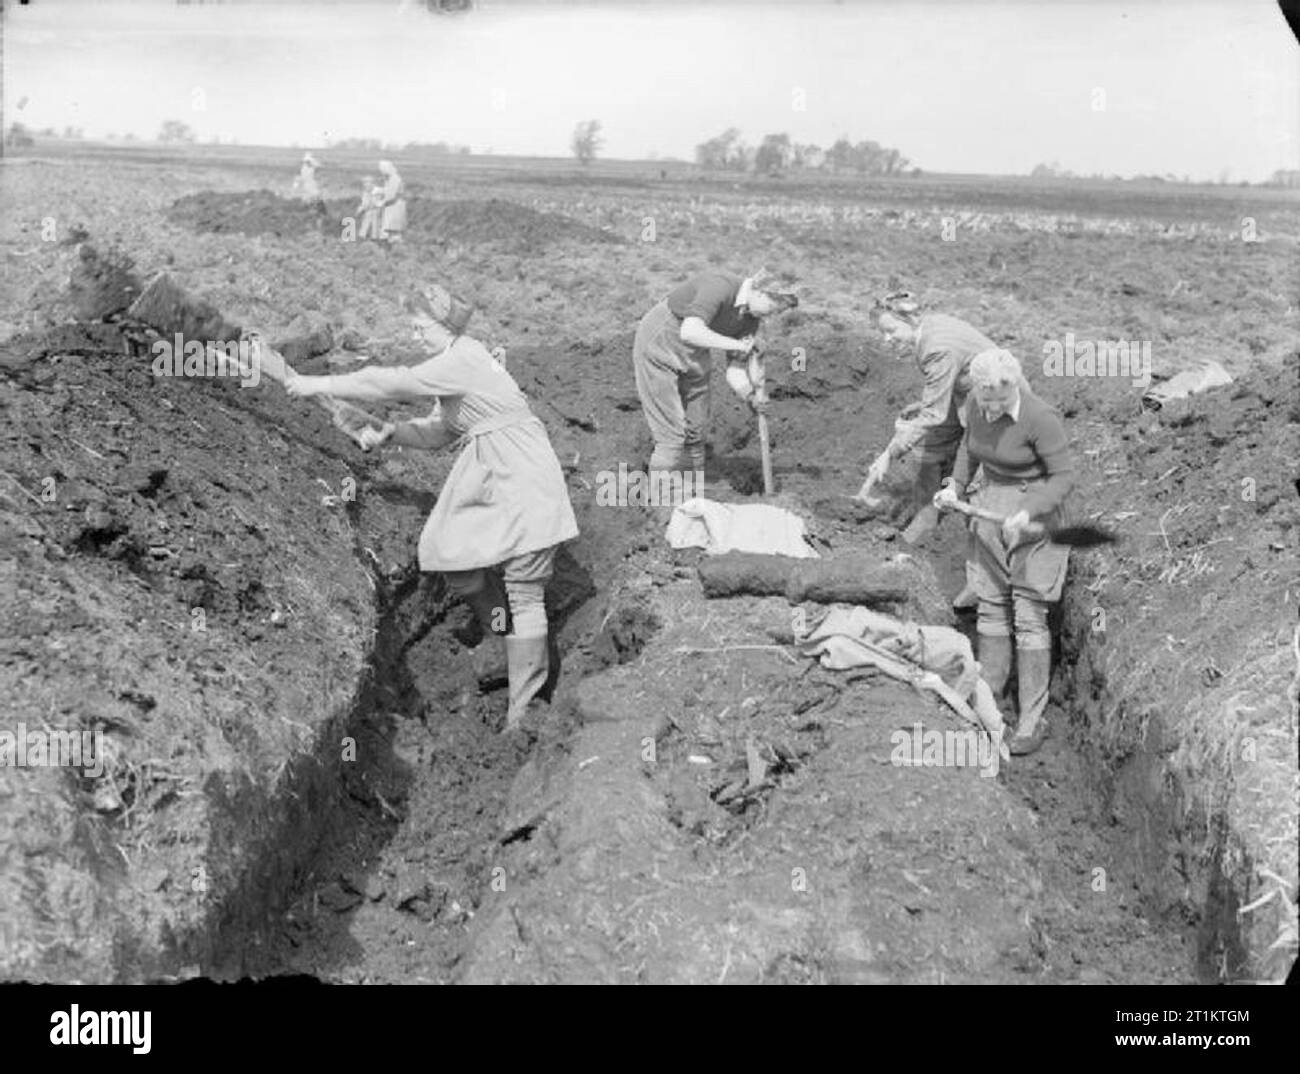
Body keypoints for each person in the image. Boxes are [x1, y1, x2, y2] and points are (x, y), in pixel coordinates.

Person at [285, 290, 579, 732]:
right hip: (494, 472)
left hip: (521, 472)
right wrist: (391, 432)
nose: (415, 334)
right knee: (450, 552)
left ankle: (525, 713)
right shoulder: (461, 362)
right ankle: (499, 633)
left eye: (421, 327)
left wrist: (318, 383)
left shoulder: (463, 357)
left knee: (524, 585)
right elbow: (443, 431)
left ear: (446, 327)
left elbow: (390, 382)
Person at [933, 348, 1075, 755]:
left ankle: (1032, 719)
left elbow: (1063, 477)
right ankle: (989, 697)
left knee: (1030, 615)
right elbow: (968, 449)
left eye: (998, 401)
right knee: (992, 604)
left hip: (1035, 516)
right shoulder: (978, 406)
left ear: (1014, 388)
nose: (990, 409)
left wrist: (1028, 510)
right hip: (989, 504)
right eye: (984, 399)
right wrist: (954, 487)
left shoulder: (1040, 418)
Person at [860, 291, 1025, 549]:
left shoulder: (936, 348)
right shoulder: (929, 328)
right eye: (883, 332)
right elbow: (944, 389)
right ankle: (927, 518)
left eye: (891, 330)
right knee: (930, 447)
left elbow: (933, 415)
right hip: (967, 393)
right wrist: (923, 406)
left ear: (909, 319)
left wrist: (889, 453)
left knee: (977, 459)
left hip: (997, 400)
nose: (888, 338)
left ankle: (972, 534)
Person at [632, 269, 797, 501]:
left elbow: (735, 370)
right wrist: (737, 346)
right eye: (774, 307)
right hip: (661, 340)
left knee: (695, 430)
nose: (772, 315)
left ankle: (689, 491)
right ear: (759, 291)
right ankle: (656, 499)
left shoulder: (750, 321)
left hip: (696, 352)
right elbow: (690, 331)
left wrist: (750, 396)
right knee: (672, 435)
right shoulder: (719, 287)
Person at [376, 160, 407, 244]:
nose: (381, 172)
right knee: (391, 229)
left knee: (394, 229)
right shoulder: (390, 178)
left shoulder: (394, 179)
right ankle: (393, 247)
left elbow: (391, 195)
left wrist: (382, 202)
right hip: (392, 205)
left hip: (395, 205)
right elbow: (388, 191)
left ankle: (396, 248)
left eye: (382, 170)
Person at [357, 175, 380, 240]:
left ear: (372, 183)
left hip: (376, 211)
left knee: (375, 226)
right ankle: (362, 238)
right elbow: (364, 203)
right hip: (369, 211)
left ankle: (375, 240)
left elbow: (375, 203)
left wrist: (363, 208)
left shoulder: (377, 191)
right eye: (364, 183)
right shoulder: (366, 192)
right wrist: (360, 209)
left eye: (366, 183)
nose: (365, 185)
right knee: (365, 225)